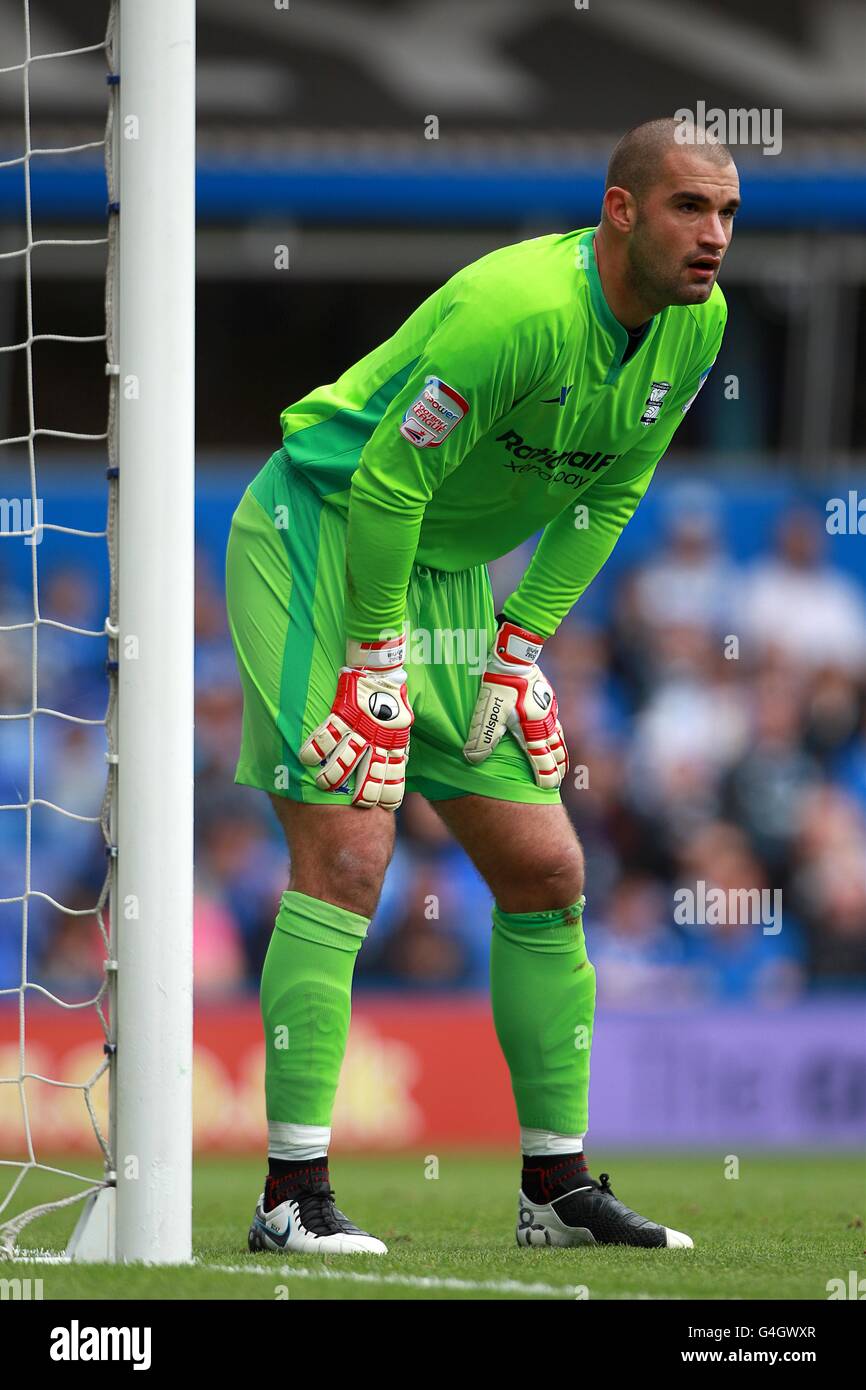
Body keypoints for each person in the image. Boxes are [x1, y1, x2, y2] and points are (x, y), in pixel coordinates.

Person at [225, 116, 738, 1254]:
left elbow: (610, 493)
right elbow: (385, 478)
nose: (712, 237)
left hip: (447, 573)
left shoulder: (694, 330)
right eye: (687, 208)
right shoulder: (515, 311)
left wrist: (519, 641)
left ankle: (554, 1190)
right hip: (325, 534)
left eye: (726, 215)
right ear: (620, 210)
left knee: (547, 867)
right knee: (354, 848)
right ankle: (286, 1196)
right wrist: (372, 656)